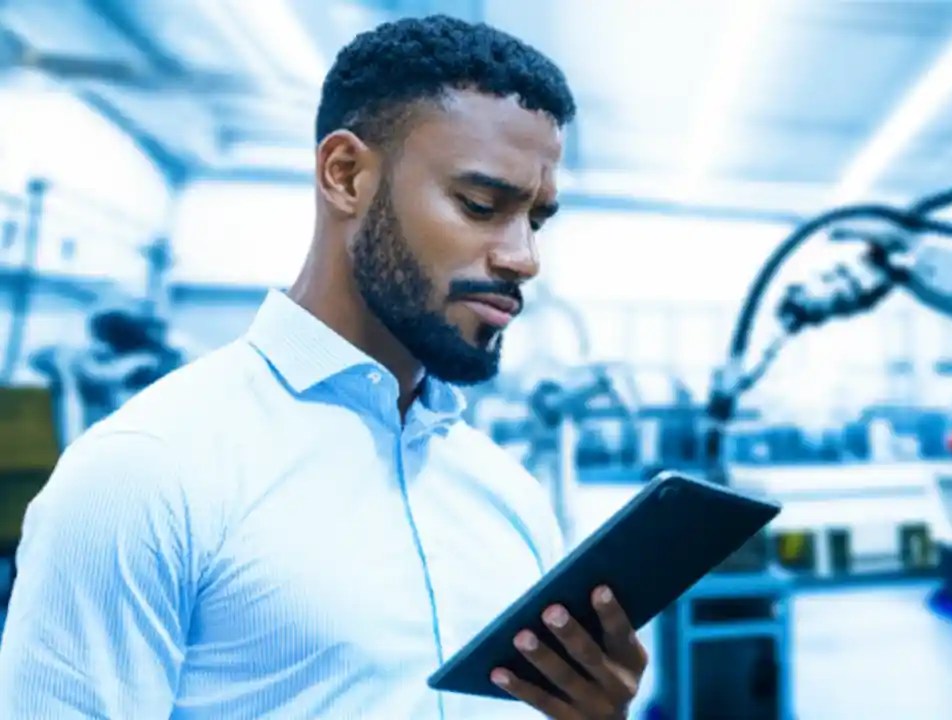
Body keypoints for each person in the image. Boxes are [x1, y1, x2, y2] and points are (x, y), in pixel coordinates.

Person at [0, 15, 648, 720]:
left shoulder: (508, 499)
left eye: (537, 220)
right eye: (481, 205)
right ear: (346, 176)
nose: (523, 257)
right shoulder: (144, 476)